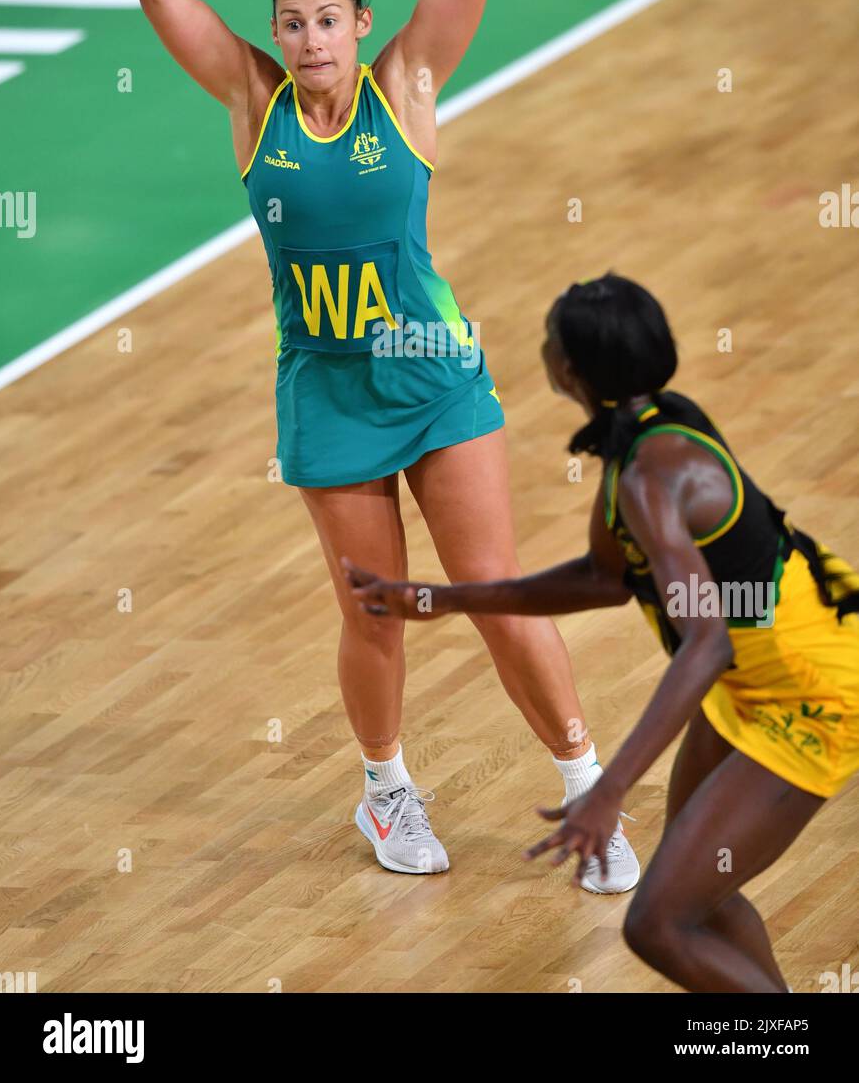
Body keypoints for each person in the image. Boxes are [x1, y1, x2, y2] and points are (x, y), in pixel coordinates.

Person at [135, 0, 638, 890]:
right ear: (274, 35)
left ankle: (586, 787)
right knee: (380, 617)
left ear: (360, 26)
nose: (309, 39)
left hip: (435, 381)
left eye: (327, 20)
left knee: (495, 590)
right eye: (292, 23)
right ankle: (384, 793)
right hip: (326, 398)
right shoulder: (250, 100)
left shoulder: (403, 83)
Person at [344, 272, 859, 990]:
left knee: (657, 923)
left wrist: (610, 788)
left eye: (552, 335)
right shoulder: (650, 434)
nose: (544, 342)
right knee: (699, 901)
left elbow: (705, 641)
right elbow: (601, 578)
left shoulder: (653, 474)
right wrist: (439, 596)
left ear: (569, 370)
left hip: (810, 690)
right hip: (761, 671)